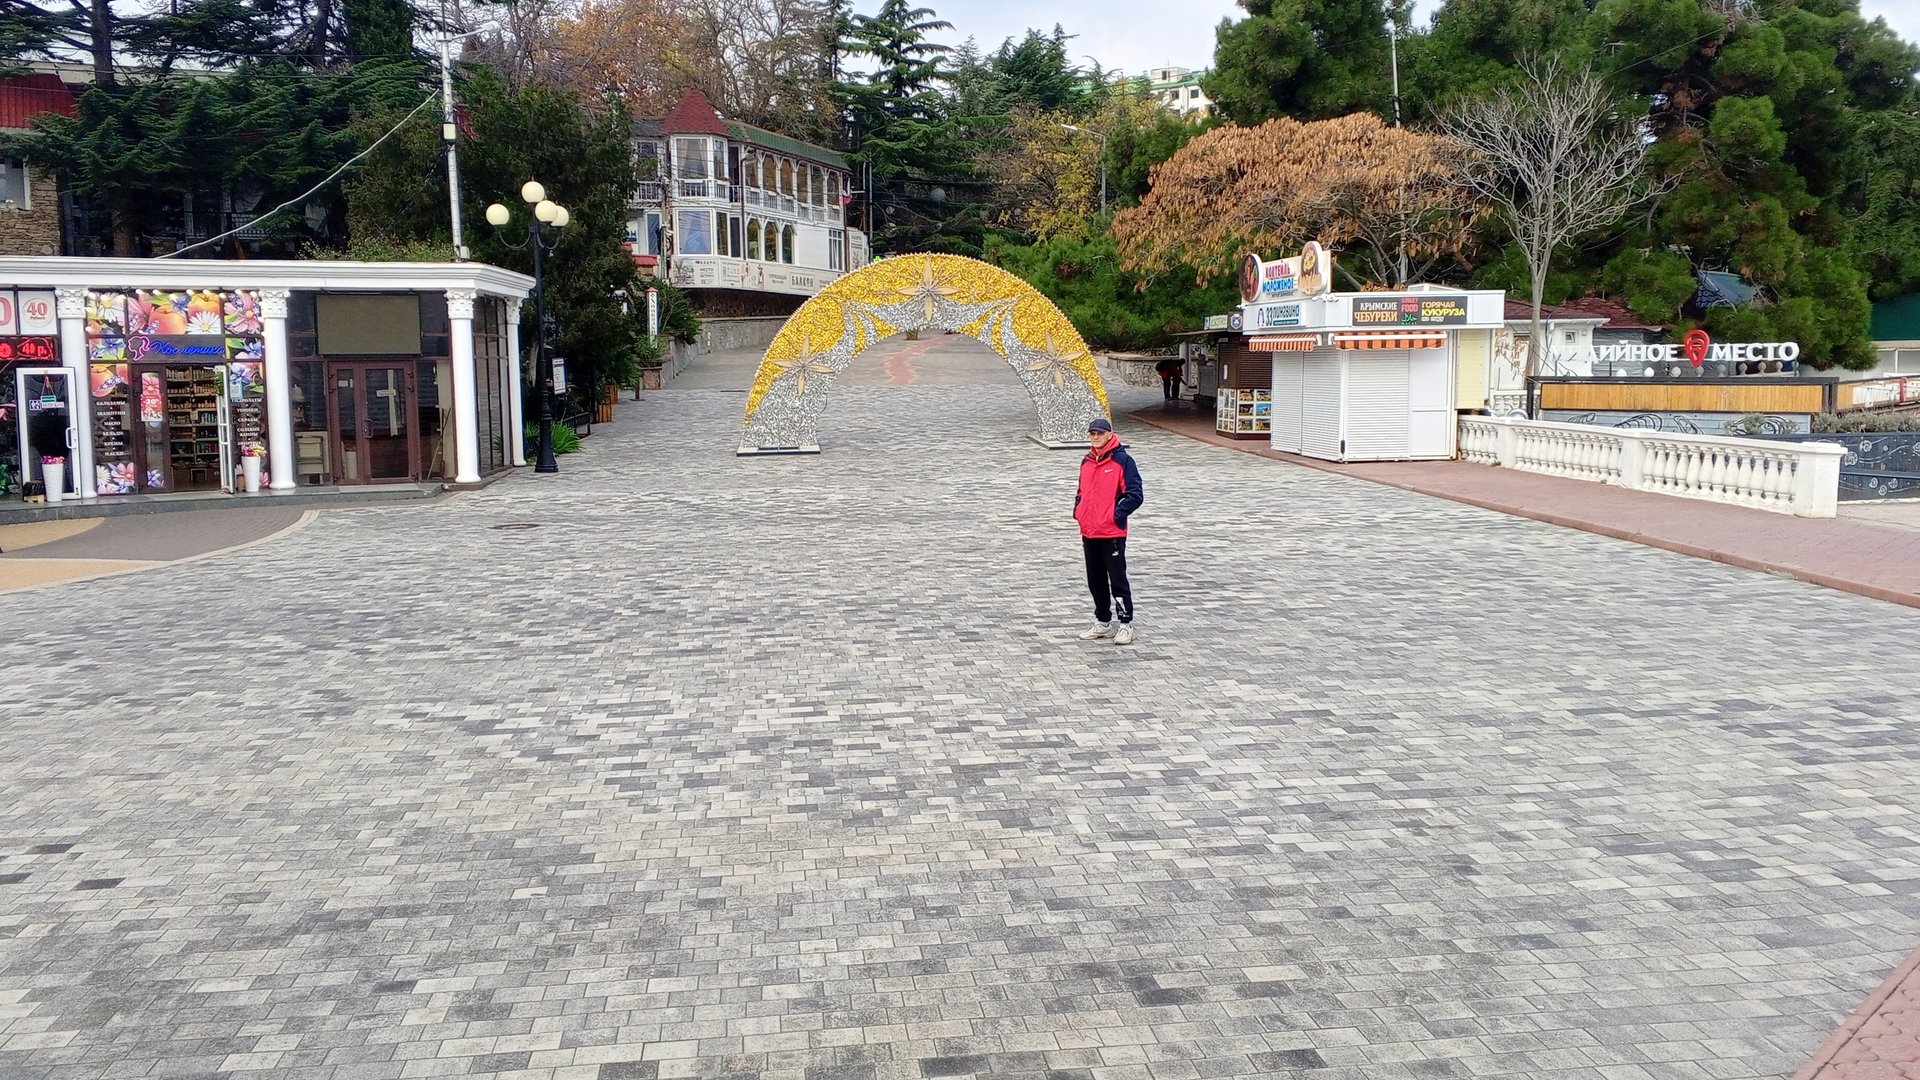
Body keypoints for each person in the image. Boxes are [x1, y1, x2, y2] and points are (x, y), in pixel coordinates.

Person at [1074, 418, 1144, 645]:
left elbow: (1135, 495)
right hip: (1089, 531)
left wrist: (1114, 515)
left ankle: (1125, 624)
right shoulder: (1086, 461)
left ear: (1109, 434)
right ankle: (1103, 621)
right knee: (1095, 580)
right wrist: (1079, 511)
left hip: (1112, 533)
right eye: (1092, 433)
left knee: (1117, 580)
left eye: (1100, 433)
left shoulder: (1123, 461)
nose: (1096, 437)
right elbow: (1081, 492)